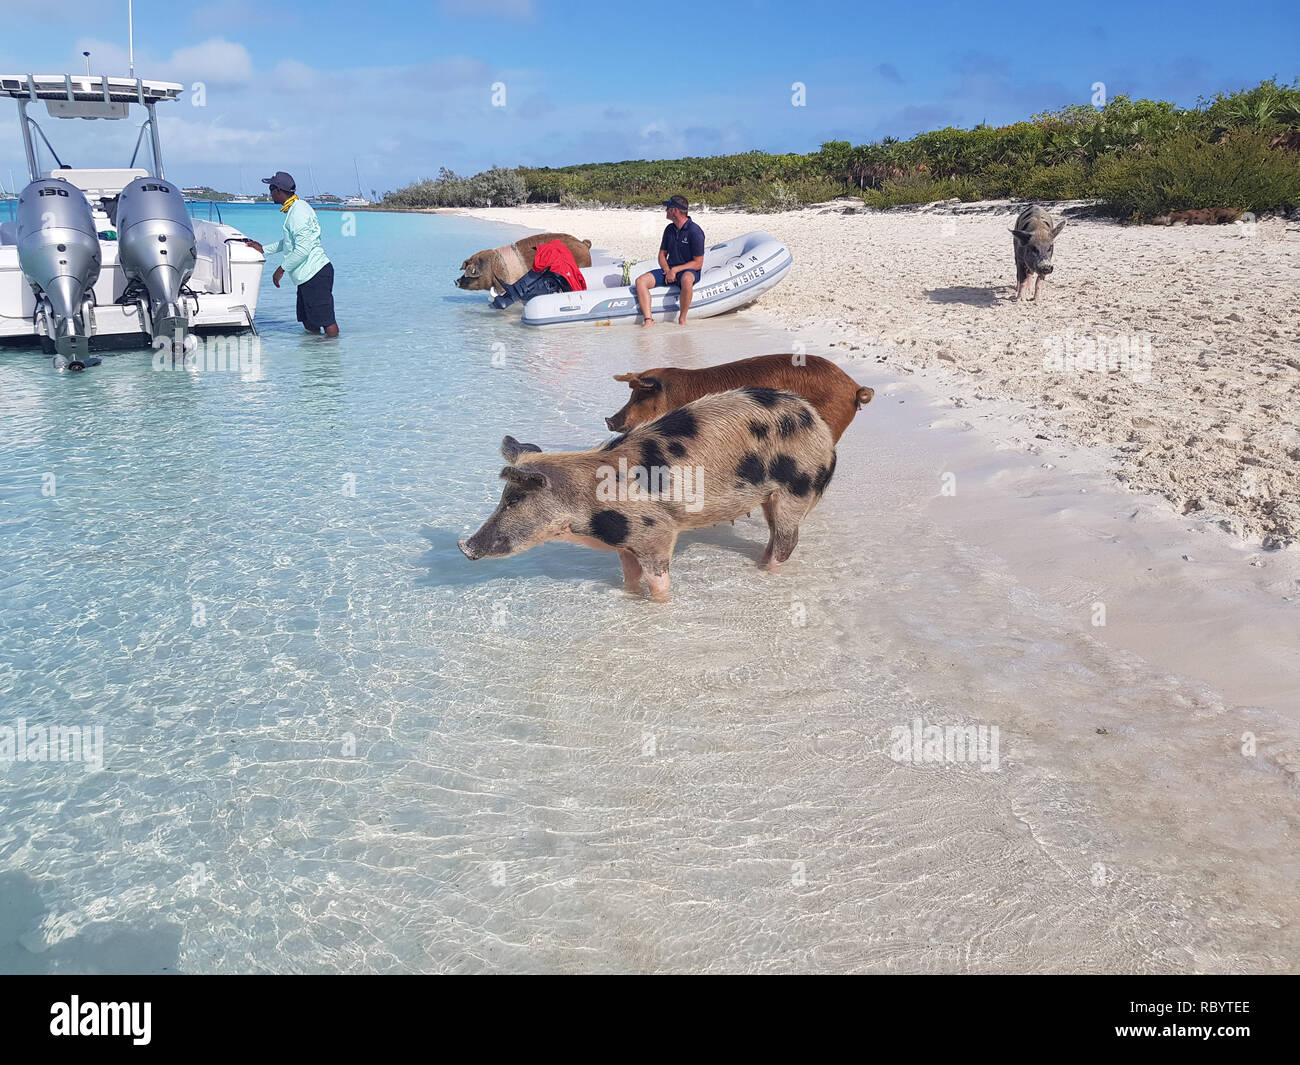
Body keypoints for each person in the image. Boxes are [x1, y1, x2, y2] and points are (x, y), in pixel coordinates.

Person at [242, 171, 338, 337]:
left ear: (278, 190)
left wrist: (281, 270)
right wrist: (264, 248)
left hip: (315, 274)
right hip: (307, 276)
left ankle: (333, 355)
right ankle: (317, 357)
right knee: (309, 322)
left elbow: (302, 249)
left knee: (326, 320)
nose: (270, 192)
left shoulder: (298, 213)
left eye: (271, 188)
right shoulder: (296, 208)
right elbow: (289, 242)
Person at [635, 194, 704, 326]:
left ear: (675, 210)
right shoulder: (669, 229)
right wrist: (667, 270)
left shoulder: (695, 231)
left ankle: (682, 319)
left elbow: (698, 263)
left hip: (688, 270)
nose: (666, 210)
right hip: (670, 269)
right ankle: (648, 320)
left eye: (668, 208)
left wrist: (675, 270)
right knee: (641, 281)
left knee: (687, 279)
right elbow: (662, 254)